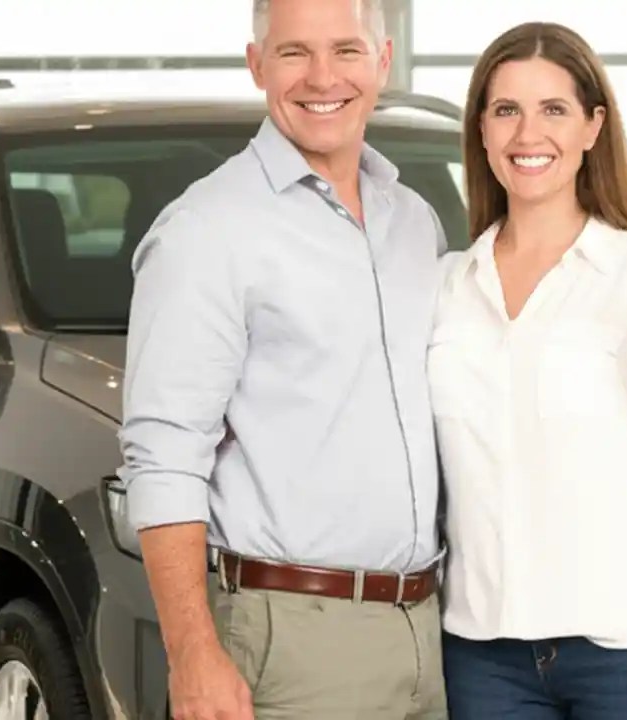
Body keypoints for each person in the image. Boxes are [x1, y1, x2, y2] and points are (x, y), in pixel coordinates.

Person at [117, 1, 449, 718]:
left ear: (383, 61)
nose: (323, 76)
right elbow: (165, 456)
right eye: (294, 52)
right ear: (256, 64)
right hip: (295, 640)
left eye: (347, 51)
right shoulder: (209, 231)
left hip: (433, 629)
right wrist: (193, 654)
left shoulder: (413, 222)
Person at [428, 21, 627, 720]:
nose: (527, 133)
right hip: (485, 653)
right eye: (506, 110)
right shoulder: (446, 289)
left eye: (554, 110)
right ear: (482, 131)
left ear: (592, 127)